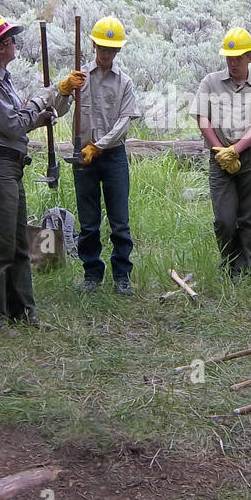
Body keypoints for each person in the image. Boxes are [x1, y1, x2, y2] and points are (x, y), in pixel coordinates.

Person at [0, 11, 84, 330]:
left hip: (9, 167)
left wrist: (39, 116)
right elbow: (13, 124)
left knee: (18, 244)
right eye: (8, 40)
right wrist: (42, 100)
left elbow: (16, 122)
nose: (13, 43)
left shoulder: (0, 81)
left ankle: (23, 312)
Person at [190, 27, 251, 279]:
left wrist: (236, 150)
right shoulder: (210, 82)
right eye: (229, 58)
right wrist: (219, 150)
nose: (233, 63)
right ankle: (227, 261)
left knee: (249, 216)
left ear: (250, 57)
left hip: (249, 156)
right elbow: (202, 118)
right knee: (224, 219)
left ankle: (245, 268)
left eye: (238, 57)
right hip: (219, 158)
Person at [72, 16, 142, 296]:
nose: (106, 54)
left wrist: (99, 146)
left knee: (119, 221)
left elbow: (124, 122)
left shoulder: (124, 83)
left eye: (111, 50)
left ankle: (122, 276)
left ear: (118, 51)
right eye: (102, 48)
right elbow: (62, 107)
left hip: (112, 156)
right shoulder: (80, 77)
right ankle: (91, 275)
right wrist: (66, 89)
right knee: (88, 221)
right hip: (83, 156)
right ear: (93, 45)